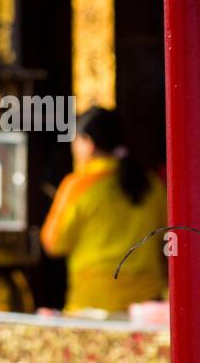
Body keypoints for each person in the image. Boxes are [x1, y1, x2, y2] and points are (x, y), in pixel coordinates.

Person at [40, 107, 167, 314]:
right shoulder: (152, 184)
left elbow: (52, 243)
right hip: (144, 306)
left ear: (87, 143)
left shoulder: (78, 186)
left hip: (92, 305)